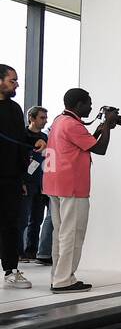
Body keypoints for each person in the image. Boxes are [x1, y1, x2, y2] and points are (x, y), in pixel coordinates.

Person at [44, 87, 119, 293]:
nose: (91, 107)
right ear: (79, 105)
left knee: (60, 233)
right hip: (72, 186)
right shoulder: (72, 125)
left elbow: (88, 143)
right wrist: (108, 127)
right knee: (72, 234)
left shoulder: (60, 121)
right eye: (89, 103)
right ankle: (64, 280)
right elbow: (100, 148)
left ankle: (58, 276)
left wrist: (103, 126)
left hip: (55, 184)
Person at [0, 65, 34, 289]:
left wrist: (22, 177)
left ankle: (11, 269)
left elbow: (20, 140)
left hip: (9, 177)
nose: (17, 85)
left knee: (10, 224)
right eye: (13, 81)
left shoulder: (13, 108)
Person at [19, 106, 48, 264]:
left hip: (40, 183)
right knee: (22, 219)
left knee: (36, 219)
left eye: (45, 118)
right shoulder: (22, 135)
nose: (44, 121)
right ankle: (18, 252)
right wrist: (21, 181)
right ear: (31, 118)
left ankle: (31, 251)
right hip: (26, 182)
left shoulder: (45, 137)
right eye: (42, 118)